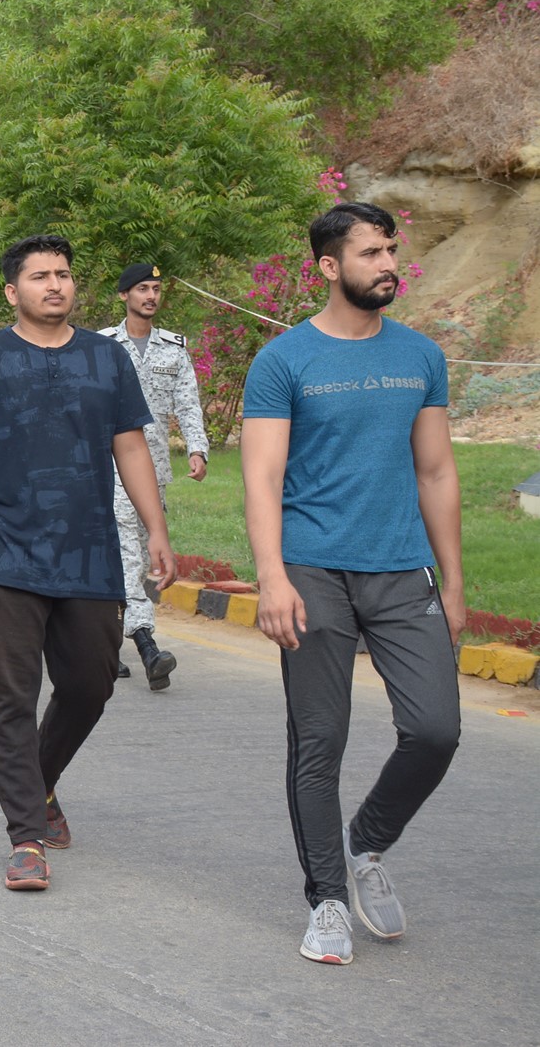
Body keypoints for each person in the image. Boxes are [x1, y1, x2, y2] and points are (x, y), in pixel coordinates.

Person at [240, 202, 462, 967]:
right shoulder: (284, 360)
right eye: (370, 253)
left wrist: (454, 581)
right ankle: (328, 898)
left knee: (436, 728)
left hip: (402, 569)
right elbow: (263, 478)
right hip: (311, 568)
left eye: (390, 250)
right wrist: (272, 576)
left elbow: (434, 469)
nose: (387, 263)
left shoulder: (420, 355)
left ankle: (367, 840)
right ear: (329, 267)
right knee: (320, 739)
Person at [0, 234, 174, 893]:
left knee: (92, 680)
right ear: (13, 291)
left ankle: (41, 778)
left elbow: (131, 445)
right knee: (12, 694)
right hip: (1, 546)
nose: (54, 285)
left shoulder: (105, 358)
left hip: (87, 549)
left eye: (63, 274)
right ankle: (26, 837)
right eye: (39, 276)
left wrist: (156, 529)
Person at [98, 263, 211, 688]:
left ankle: (106, 646)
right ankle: (146, 644)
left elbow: (188, 402)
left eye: (156, 289)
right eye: (142, 288)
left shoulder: (173, 349)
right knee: (128, 554)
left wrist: (197, 448)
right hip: (110, 467)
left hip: (155, 469)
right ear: (124, 295)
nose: (150, 295)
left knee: (136, 556)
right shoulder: (103, 346)